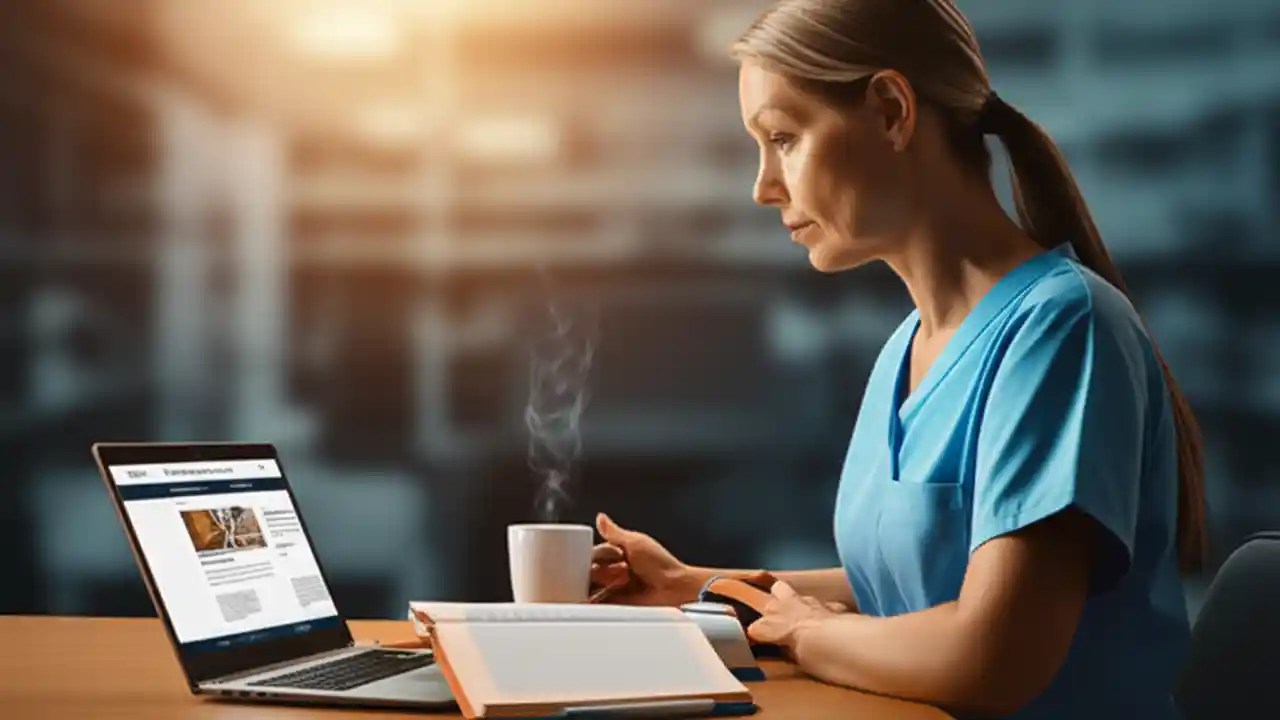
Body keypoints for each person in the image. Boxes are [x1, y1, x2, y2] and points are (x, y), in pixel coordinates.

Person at [588, 1, 1206, 718]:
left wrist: (815, 636)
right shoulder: (906, 350)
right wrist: (694, 586)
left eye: (783, 138)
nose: (762, 185)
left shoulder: (1063, 327)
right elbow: (908, 585)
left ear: (889, 110)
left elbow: (991, 655)